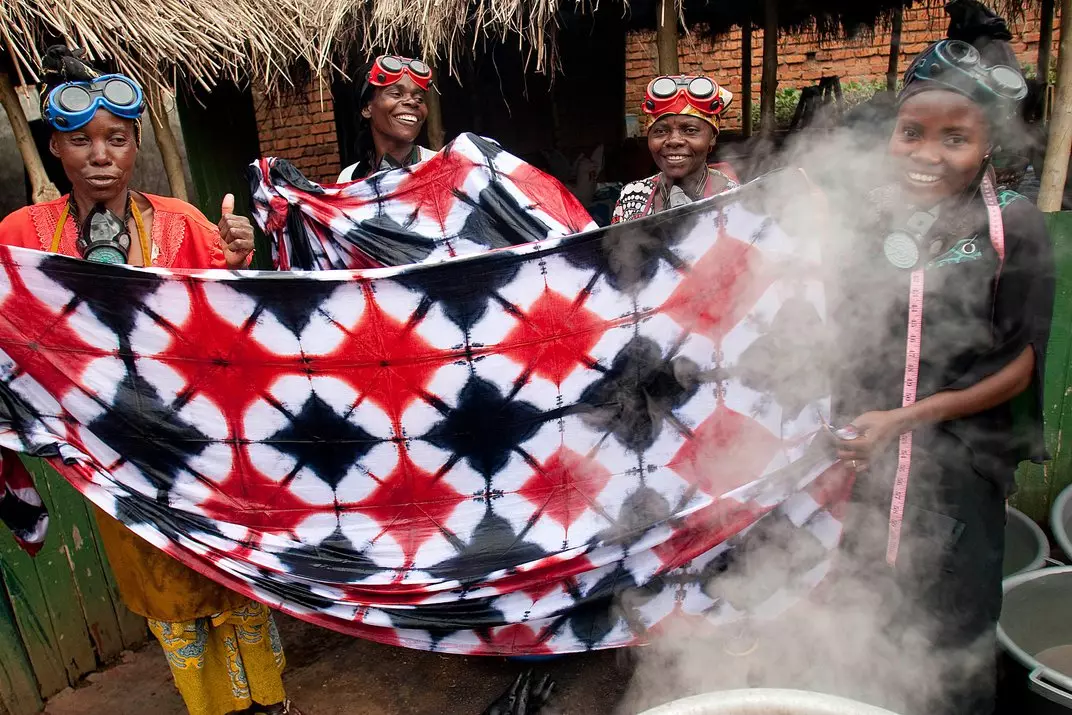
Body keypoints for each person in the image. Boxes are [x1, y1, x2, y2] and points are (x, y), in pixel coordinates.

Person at [0, 47, 301, 715]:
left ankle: (268, 702)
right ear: (55, 146)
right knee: (167, 589)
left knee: (233, 579)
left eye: (117, 137)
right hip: (112, 460)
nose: (100, 154)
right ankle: (212, 706)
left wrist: (236, 264)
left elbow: (237, 335)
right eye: (80, 140)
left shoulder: (181, 222)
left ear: (136, 143)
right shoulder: (20, 238)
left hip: (204, 448)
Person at [831, 39, 1054, 715]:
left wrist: (906, 419)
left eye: (954, 137)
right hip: (865, 460)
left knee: (952, 630)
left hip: (961, 467)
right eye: (912, 133)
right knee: (865, 617)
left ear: (989, 142)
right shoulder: (868, 218)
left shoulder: (1010, 226)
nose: (927, 154)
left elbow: (1020, 365)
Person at [611, 74, 738, 224]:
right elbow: (616, 247)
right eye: (660, 131)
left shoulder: (735, 200)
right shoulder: (632, 196)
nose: (674, 141)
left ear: (712, 137)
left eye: (690, 130)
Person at [337, 54, 437, 182]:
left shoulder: (445, 167)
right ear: (367, 108)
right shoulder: (349, 178)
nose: (412, 102)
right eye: (396, 94)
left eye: (419, 99)